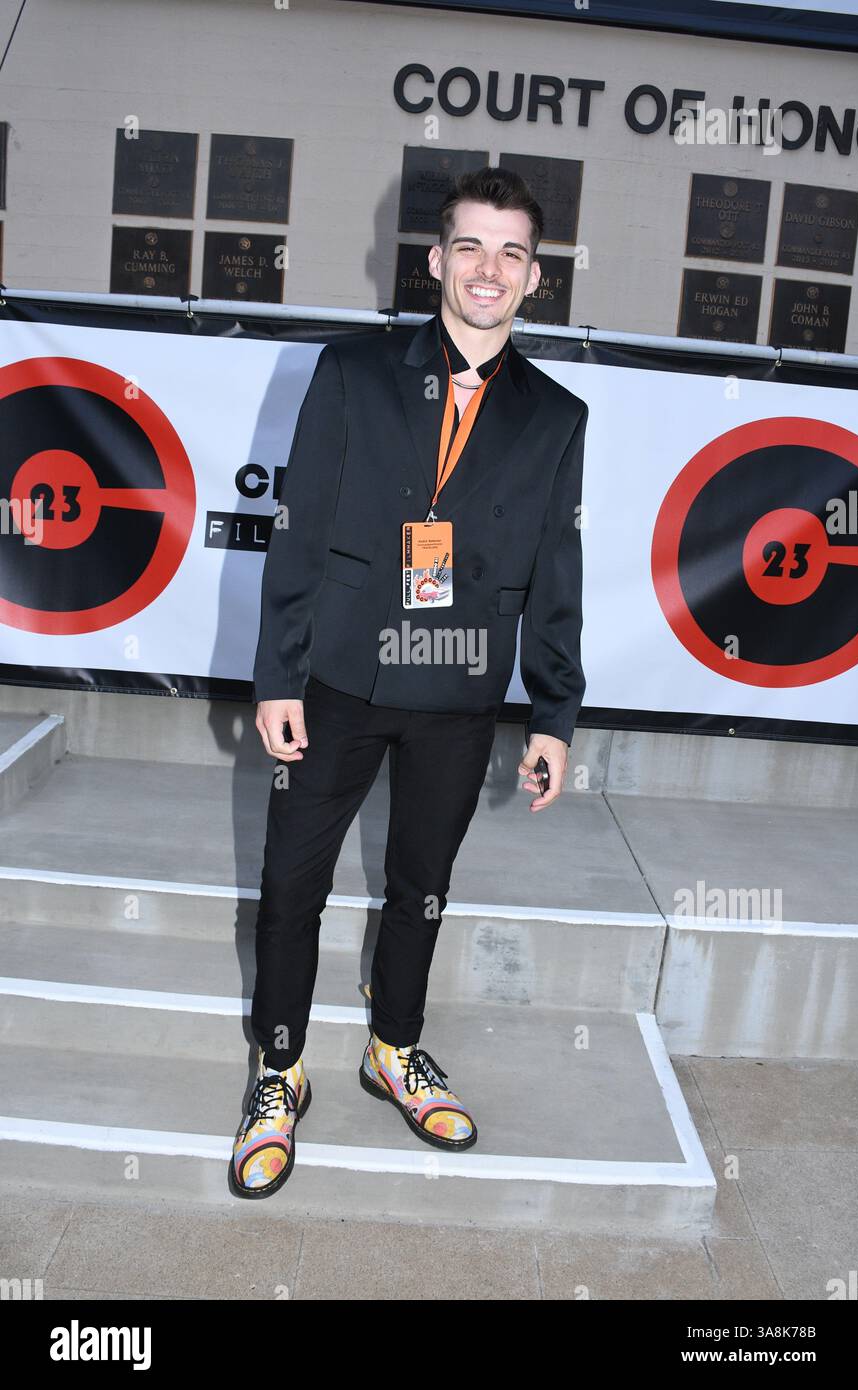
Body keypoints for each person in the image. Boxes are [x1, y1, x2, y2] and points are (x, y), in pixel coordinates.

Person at [229, 166, 590, 1198]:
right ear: (435, 261)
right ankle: (280, 1068)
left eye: (511, 253)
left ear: (533, 276)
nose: (488, 269)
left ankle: (394, 1047)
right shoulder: (349, 371)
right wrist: (277, 675)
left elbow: (553, 574)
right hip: (336, 681)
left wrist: (553, 711)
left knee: (418, 891)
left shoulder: (555, 416)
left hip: (459, 697)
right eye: (470, 247)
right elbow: (294, 533)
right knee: (291, 885)